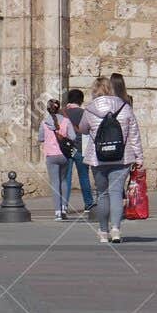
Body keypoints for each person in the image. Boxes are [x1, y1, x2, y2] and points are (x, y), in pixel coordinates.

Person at [79, 73, 142, 244]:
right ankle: (116, 229)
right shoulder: (125, 107)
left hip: (98, 158)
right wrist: (139, 158)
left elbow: (83, 129)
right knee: (115, 193)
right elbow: (134, 134)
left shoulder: (90, 109)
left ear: (94, 91)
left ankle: (102, 231)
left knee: (102, 194)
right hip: (121, 157)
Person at [40, 97, 78, 221]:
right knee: (64, 181)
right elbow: (73, 137)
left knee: (55, 182)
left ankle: (57, 212)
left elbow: (40, 138)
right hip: (64, 155)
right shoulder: (66, 121)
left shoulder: (44, 122)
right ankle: (64, 208)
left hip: (51, 155)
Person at [62, 88, 95, 218]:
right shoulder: (84, 113)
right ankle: (88, 204)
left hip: (67, 148)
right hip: (82, 148)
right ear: (80, 100)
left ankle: (64, 205)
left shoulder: (63, 113)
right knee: (84, 177)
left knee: (66, 178)